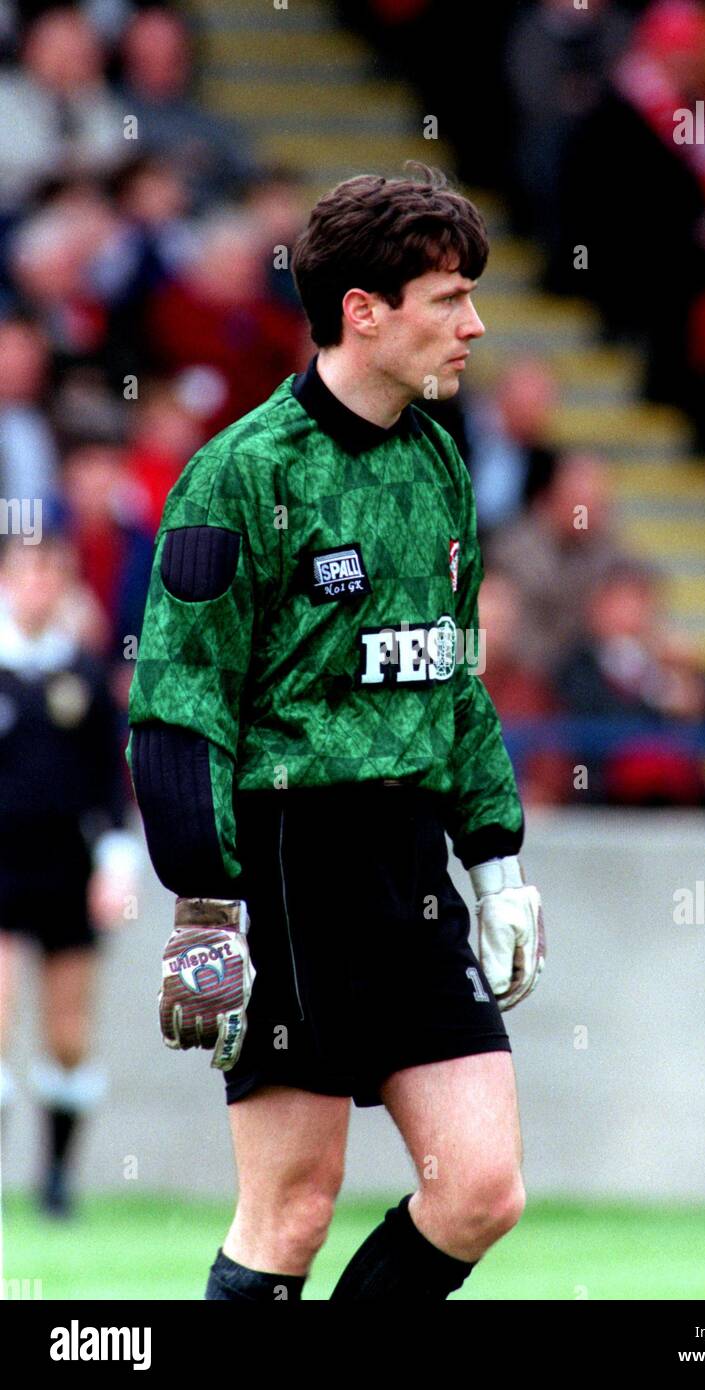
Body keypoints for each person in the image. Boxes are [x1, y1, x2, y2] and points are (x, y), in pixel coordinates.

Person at [126, 163, 545, 1301]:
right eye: (448, 297)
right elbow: (177, 705)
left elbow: (454, 681)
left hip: (408, 860)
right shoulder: (240, 475)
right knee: (293, 1213)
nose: (473, 324)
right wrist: (203, 907)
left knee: (479, 1189)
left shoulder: (438, 459)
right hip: (287, 861)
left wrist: (495, 861)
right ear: (363, 310)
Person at [0, 530, 140, 1216]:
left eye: (52, 572)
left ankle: (56, 1181)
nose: (38, 585)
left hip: (64, 867)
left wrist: (116, 865)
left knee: (67, 1034)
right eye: (26, 571)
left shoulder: (83, 675)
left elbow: (109, 786)